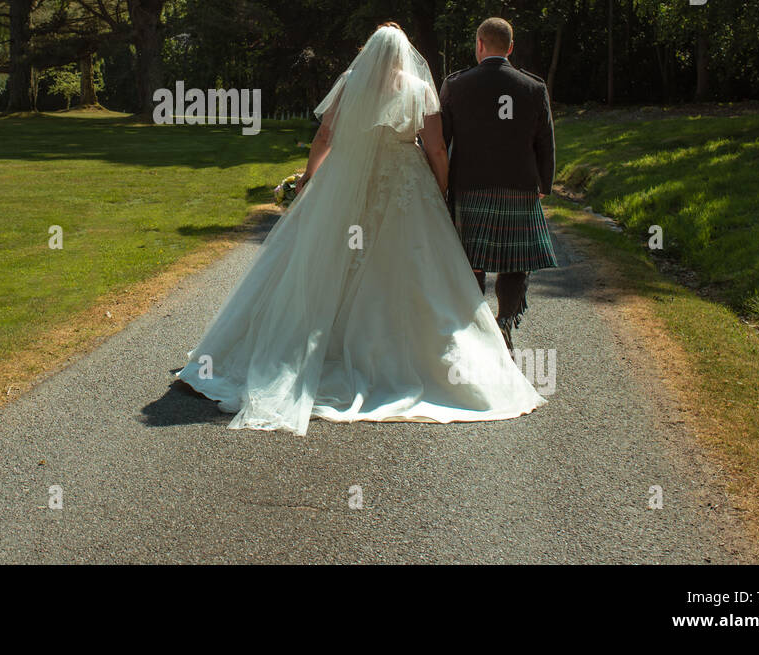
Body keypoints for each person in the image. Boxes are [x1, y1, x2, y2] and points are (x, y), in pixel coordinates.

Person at [174, 22, 546, 435]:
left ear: (369, 52)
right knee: (410, 265)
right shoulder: (419, 88)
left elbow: (325, 136)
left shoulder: (352, 81)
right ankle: (413, 359)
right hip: (405, 181)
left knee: (330, 259)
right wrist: (439, 188)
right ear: (405, 56)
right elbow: (437, 146)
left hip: (347, 180)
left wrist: (310, 179)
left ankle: (314, 348)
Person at [439, 17, 557, 355]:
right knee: (514, 260)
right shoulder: (534, 87)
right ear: (510, 47)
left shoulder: (455, 85)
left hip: (469, 186)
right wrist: (543, 183)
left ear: (479, 44)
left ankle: (476, 326)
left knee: (472, 260)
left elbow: (441, 141)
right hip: (519, 186)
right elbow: (544, 140)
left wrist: (439, 184)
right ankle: (504, 322)